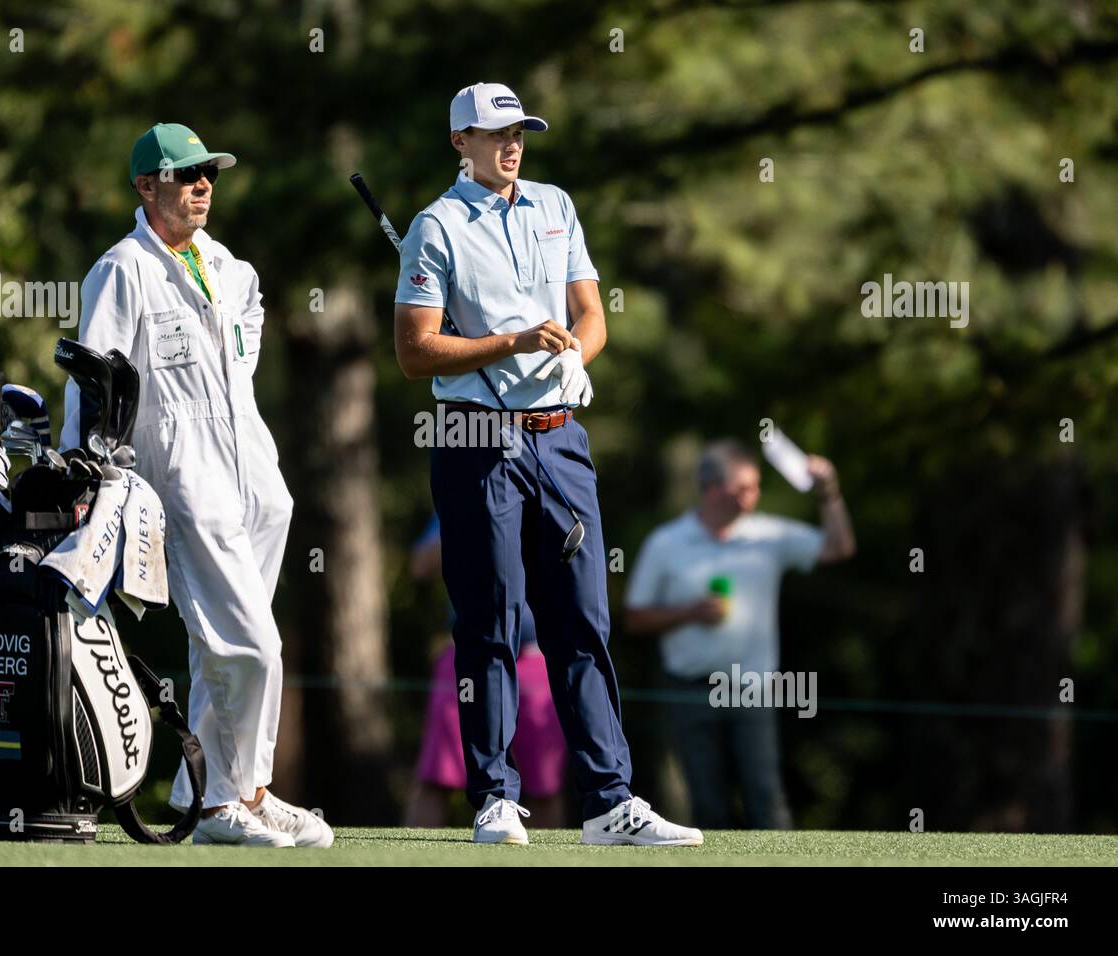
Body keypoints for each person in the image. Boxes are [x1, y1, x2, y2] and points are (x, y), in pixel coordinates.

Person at [394, 82, 703, 846]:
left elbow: (590, 315)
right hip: (474, 438)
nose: (513, 145)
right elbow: (415, 351)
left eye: (520, 132)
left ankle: (610, 801)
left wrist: (575, 359)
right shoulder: (435, 226)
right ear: (460, 141)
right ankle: (495, 798)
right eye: (497, 133)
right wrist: (514, 342)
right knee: (490, 620)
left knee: (582, 619)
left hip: (560, 438)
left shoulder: (556, 206)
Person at [60, 123, 331, 848]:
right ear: (147, 185)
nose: (202, 184)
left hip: (255, 478)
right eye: (185, 174)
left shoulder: (229, 267)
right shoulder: (122, 269)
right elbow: (93, 380)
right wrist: (84, 475)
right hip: (184, 481)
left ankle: (228, 794)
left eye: (208, 172)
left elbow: (245, 335)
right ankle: (229, 801)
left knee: (226, 648)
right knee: (251, 647)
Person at [624, 439, 856, 829]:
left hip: (753, 689)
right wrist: (689, 613)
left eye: (756, 487)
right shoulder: (666, 543)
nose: (754, 496)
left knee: (766, 798)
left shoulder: (769, 535)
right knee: (707, 804)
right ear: (712, 488)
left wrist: (828, 492)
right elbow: (634, 618)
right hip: (689, 688)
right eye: (744, 487)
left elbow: (839, 548)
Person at [405, 515, 568, 828]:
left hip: (537, 660)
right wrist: (479, 523)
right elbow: (420, 566)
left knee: (544, 786)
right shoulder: (466, 496)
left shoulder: (553, 500)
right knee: (437, 777)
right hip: (468, 656)